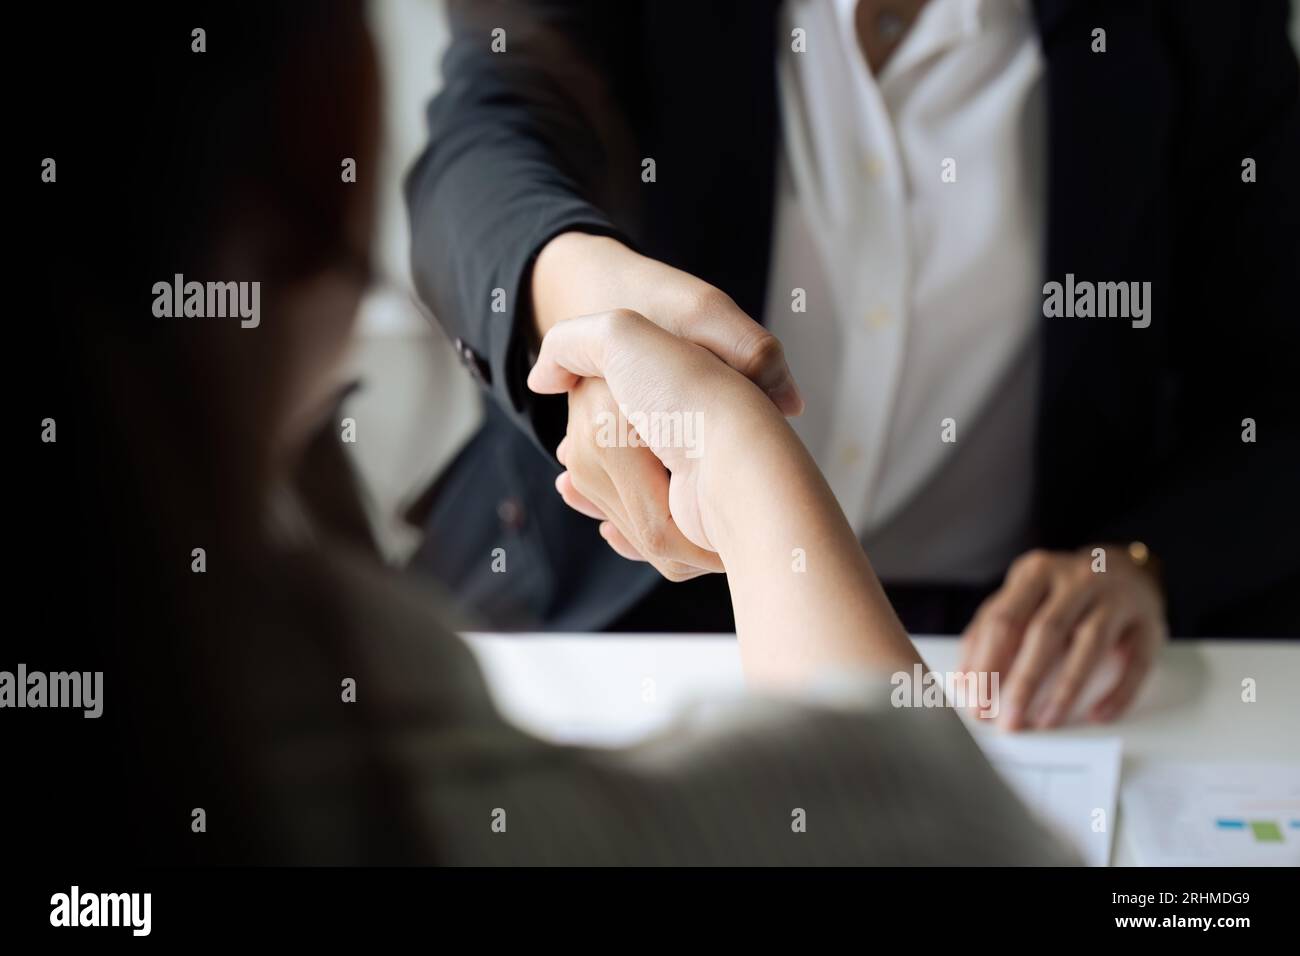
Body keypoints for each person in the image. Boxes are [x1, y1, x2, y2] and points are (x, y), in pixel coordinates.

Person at [25, 1, 1074, 865]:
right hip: (588, 609)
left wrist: (1142, 557)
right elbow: (946, 828)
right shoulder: (403, 773)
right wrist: (733, 442)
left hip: (1023, 639)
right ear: (323, 141)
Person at [405, 0, 1300, 729]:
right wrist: (590, 311)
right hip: (611, 605)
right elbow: (484, 141)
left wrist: (1147, 560)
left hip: (1005, 654)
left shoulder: (1196, 26)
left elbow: (1276, 386)